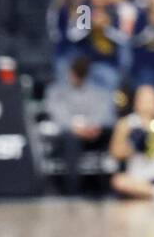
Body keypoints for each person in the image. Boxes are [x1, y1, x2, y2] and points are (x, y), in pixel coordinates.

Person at [44, 55, 116, 195]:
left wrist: (93, 126)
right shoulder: (56, 91)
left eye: (81, 75)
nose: (77, 78)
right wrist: (76, 129)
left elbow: (102, 113)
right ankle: (73, 189)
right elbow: (58, 115)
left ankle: (107, 187)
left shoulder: (97, 92)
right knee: (71, 139)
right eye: (76, 74)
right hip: (67, 135)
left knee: (111, 133)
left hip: (92, 133)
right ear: (70, 72)